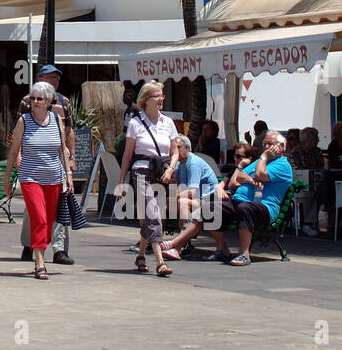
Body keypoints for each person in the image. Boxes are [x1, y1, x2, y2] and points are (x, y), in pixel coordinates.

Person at [160, 131, 294, 266]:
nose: (266, 147)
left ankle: (244, 254)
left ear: (282, 146)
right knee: (208, 207)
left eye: (270, 144)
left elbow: (259, 175)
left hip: (264, 206)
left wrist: (263, 158)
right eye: (265, 144)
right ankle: (181, 245)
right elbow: (237, 178)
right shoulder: (258, 162)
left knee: (245, 208)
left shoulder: (282, 165)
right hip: (238, 200)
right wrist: (250, 179)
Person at [4, 81, 74, 280]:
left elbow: (62, 149)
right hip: (30, 177)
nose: (35, 102)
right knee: (39, 218)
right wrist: (7, 177)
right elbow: (14, 150)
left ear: (49, 100)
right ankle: (40, 263)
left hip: (54, 178)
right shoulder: (24, 121)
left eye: (39, 99)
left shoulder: (56, 120)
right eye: (32, 98)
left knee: (49, 220)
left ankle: (40, 247)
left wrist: (68, 175)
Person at [116, 80, 179, 277]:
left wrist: (170, 170)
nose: (161, 99)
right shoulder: (135, 123)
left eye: (162, 95)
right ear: (146, 99)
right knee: (152, 213)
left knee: (155, 216)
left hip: (162, 171)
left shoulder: (168, 123)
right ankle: (160, 261)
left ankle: (141, 256)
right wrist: (121, 182)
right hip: (141, 170)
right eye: (156, 96)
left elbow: (175, 151)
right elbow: (127, 155)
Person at [17, 64, 75, 265]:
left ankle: (59, 249)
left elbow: (69, 130)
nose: (53, 81)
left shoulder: (64, 102)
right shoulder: (28, 101)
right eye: (49, 77)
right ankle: (29, 244)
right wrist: (18, 157)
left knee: (59, 206)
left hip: (56, 161)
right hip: (32, 164)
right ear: (40, 79)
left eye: (56, 78)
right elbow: (18, 131)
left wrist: (72, 156)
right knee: (33, 209)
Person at [160, 134, 220, 259]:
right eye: (173, 148)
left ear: (187, 149)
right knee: (162, 203)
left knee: (182, 203)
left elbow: (192, 192)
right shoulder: (178, 164)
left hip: (208, 200)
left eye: (178, 147)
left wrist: (174, 196)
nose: (175, 151)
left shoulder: (193, 164)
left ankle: (182, 245)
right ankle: (155, 240)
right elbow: (179, 188)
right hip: (196, 199)